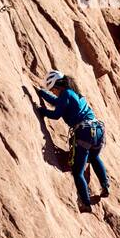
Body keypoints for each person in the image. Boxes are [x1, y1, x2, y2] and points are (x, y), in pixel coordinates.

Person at [36, 70, 110, 213]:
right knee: (94, 157)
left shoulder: (65, 94)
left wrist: (41, 111)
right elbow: (57, 102)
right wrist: (42, 93)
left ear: (58, 86)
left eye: (53, 90)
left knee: (78, 172)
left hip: (84, 132)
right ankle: (105, 185)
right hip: (98, 130)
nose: (54, 92)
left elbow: (56, 114)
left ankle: (86, 203)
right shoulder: (74, 94)